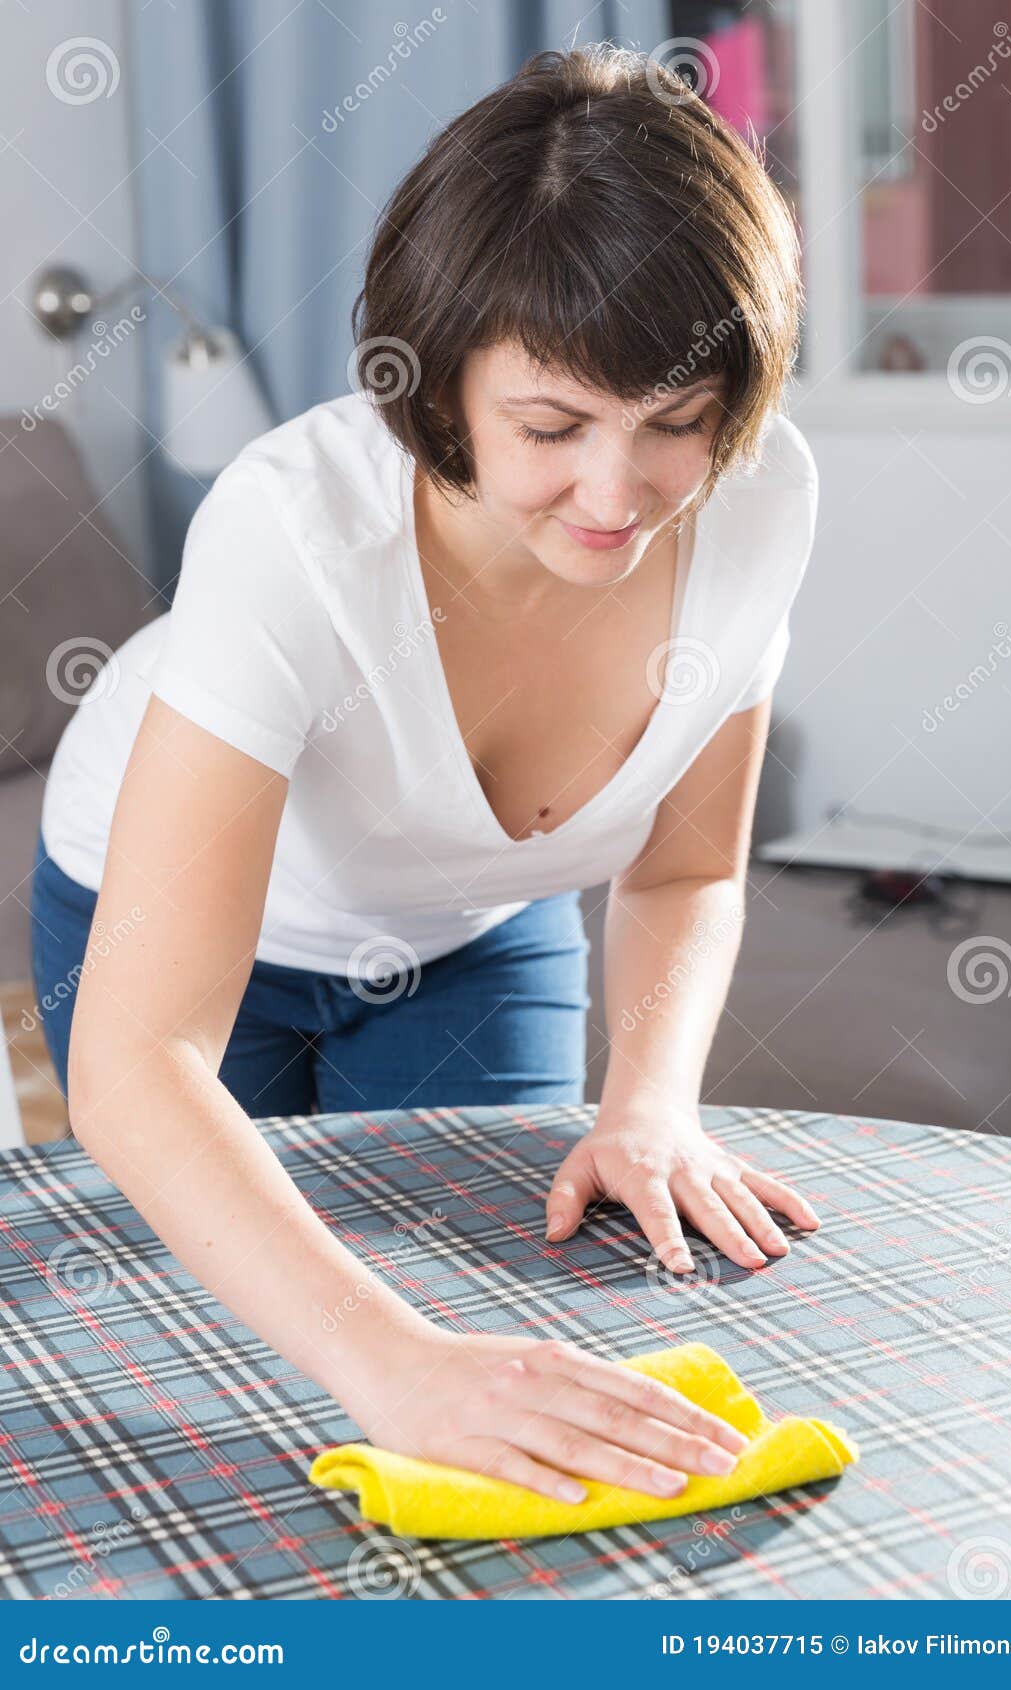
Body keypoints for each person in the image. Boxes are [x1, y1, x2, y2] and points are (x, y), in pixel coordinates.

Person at [31, 44, 820, 1507]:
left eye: (676, 426)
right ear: (441, 380)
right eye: (552, 426)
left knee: (523, 1330)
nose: (617, 494)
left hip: (470, 928)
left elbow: (688, 863)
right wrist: (386, 1360)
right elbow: (138, 1066)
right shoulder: (296, 529)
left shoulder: (765, 501)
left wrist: (651, 1102)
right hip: (191, 929)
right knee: (247, 1357)